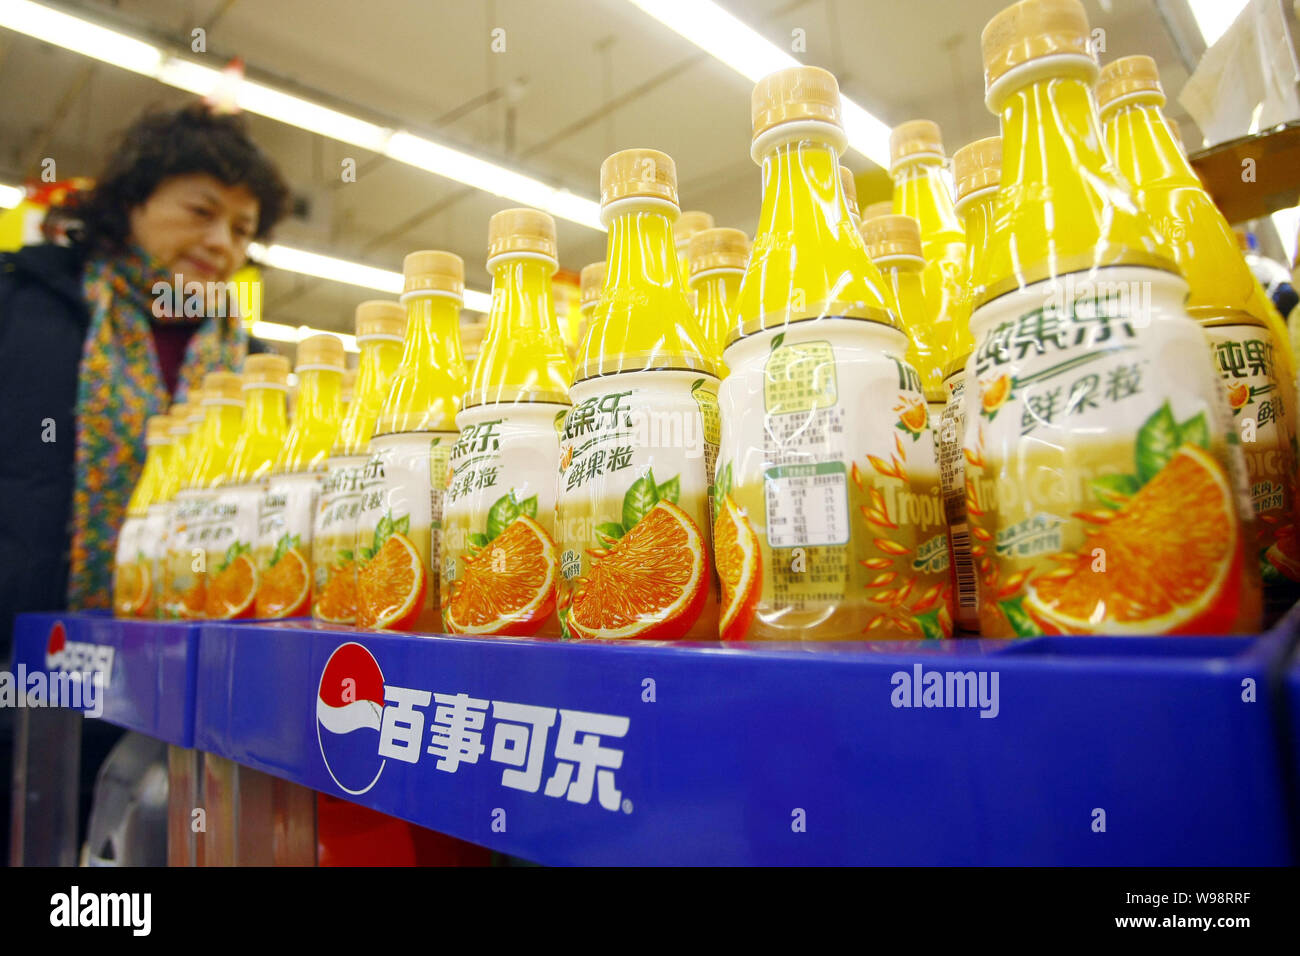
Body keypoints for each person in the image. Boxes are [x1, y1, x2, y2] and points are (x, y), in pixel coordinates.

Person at [0, 103, 289, 863]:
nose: (221, 243)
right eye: (202, 212)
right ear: (134, 202)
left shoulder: (255, 367)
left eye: (243, 229)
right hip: (26, 671)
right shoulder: (28, 307)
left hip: (187, 699)